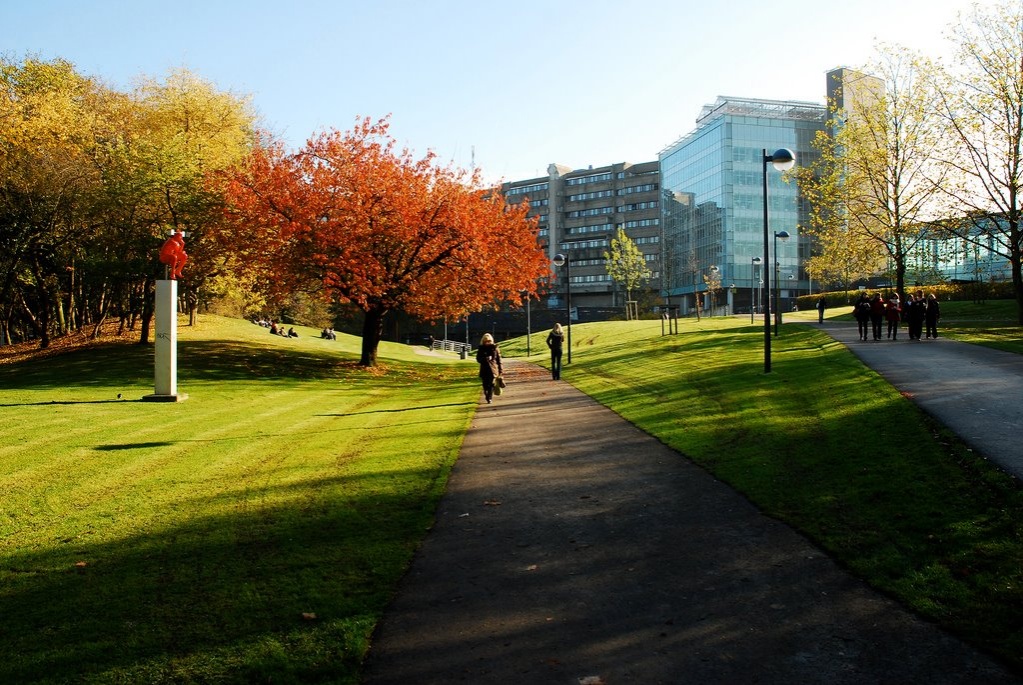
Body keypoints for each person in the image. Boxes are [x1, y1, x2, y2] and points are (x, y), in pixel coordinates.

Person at [475, 332, 503, 404]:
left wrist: (500, 371)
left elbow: (499, 360)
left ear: (491, 341)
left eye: (489, 341)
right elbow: (478, 359)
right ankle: (487, 394)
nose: (487, 343)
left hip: (493, 369)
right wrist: (485, 358)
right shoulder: (481, 349)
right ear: (483, 341)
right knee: (485, 385)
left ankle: (489, 398)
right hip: (484, 369)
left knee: (491, 384)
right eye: (486, 341)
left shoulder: (495, 348)